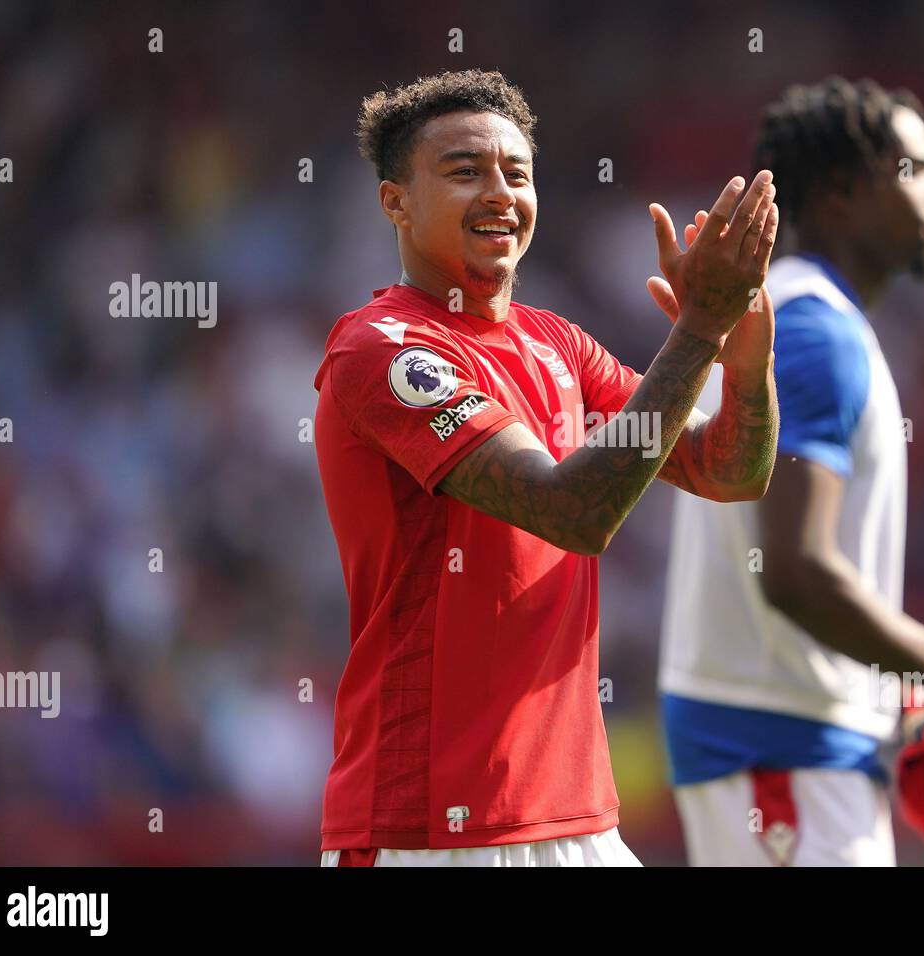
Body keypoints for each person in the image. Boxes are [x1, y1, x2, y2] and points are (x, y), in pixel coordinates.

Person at [311, 69, 780, 866]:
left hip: (580, 822)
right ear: (395, 201)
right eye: (465, 171)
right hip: (433, 828)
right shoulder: (383, 350)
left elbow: (727, 472)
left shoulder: (555, 342)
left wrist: (741, 364)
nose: (499, 192)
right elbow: (573, 512)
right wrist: (696, 332)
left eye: (517, 173)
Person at [658, 76, 924, 866]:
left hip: (781, 748)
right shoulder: (816, 332)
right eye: (916, 171)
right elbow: (796, 571)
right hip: (780, 753)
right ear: (843, 193)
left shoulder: (795, 316)